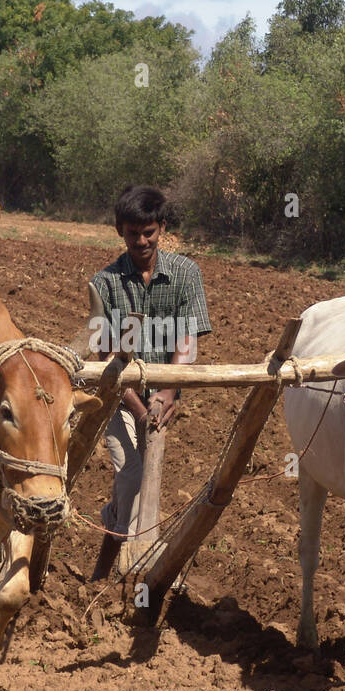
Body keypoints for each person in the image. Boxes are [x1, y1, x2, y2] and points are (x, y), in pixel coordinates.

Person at [90, 185, 211, 580]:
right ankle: (136, 573)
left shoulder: (185, 274)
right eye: (132, 234)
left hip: (164, 395)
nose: (141, 242)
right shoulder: (105, 284)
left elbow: (187, 340)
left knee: (135, 487)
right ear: (119, 231)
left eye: (149, 233)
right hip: (118, 399)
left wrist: (168, 391)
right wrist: (141, 409)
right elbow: (107, 357)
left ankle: (103, 574)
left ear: (162, 228)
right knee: (131, 477)